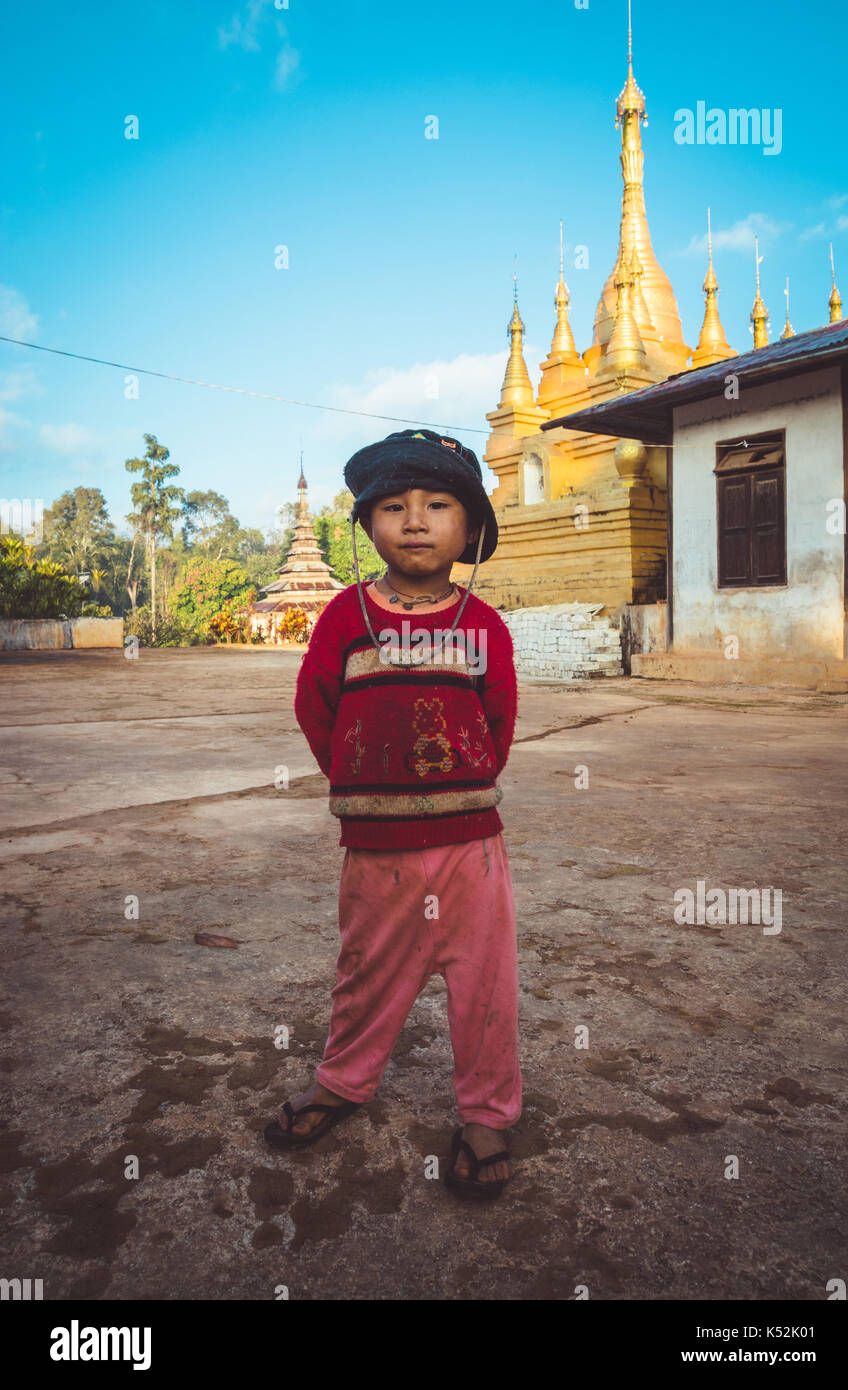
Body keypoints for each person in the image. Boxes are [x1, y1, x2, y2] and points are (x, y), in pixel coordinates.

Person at [264, 427, 521, 1199]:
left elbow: (499, 721)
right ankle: (343, 1082)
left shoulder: (484, 627)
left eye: (438, 505)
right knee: (365, 973)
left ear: (469, 529)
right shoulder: (345, 618)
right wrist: (359, 788)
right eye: (394, 506)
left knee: (484, 984)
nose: (415, 520)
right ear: (366, 526)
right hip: (373, 851)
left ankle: (486, 1113)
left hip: (472, 849)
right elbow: (318, 711)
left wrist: (457, 787)